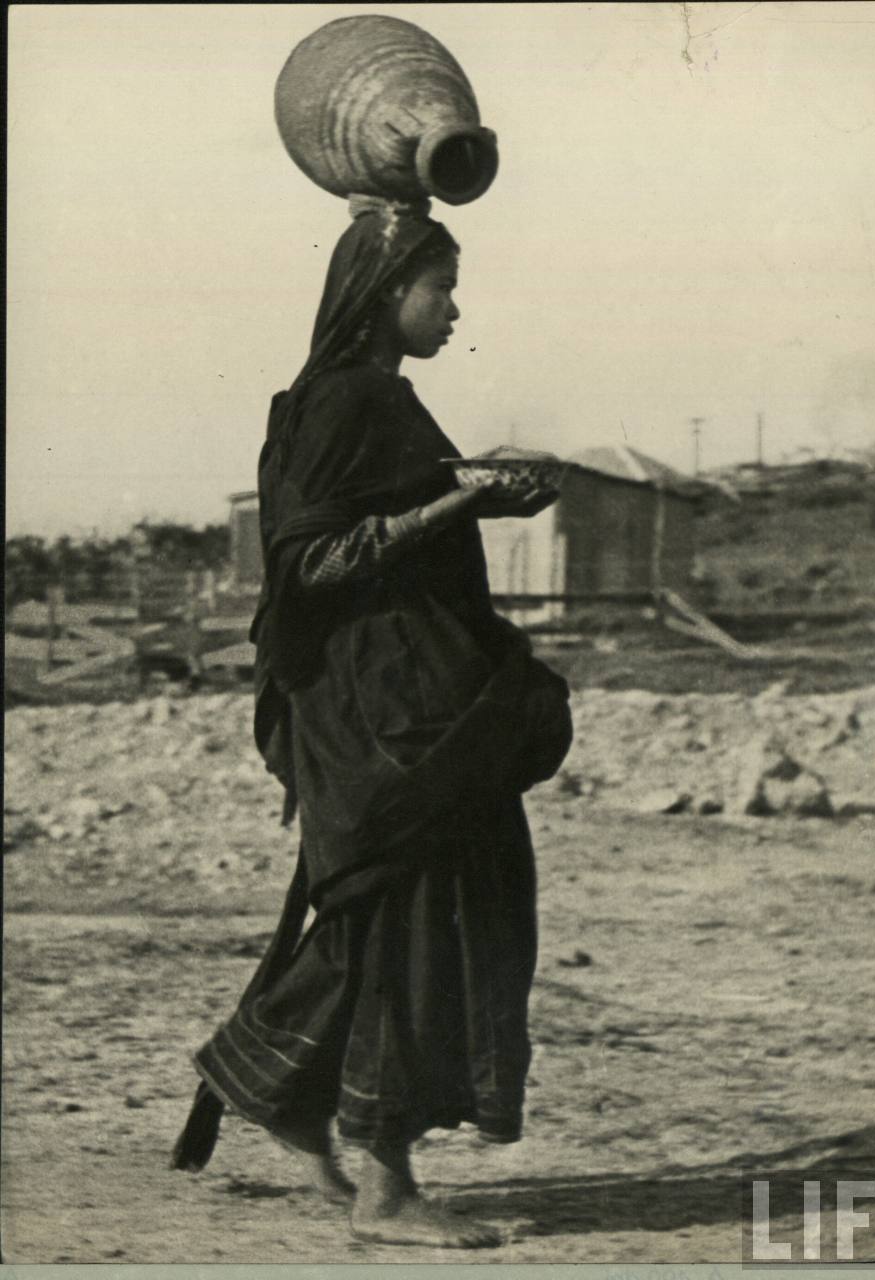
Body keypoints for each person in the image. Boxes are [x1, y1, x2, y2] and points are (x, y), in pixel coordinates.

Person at [171, 194, 572, 1249]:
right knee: (421, 926)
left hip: (407, 700)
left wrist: (479, 492)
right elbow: (310, 562)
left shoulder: (367, 403)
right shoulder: (346, 400)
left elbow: (377, 517)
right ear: (385, 292)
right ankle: (387, 1186)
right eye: (438, 286)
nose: (452, 307)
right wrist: (454, 501)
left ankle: (286, 1090)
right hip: (382, 711)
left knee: (383, 919)